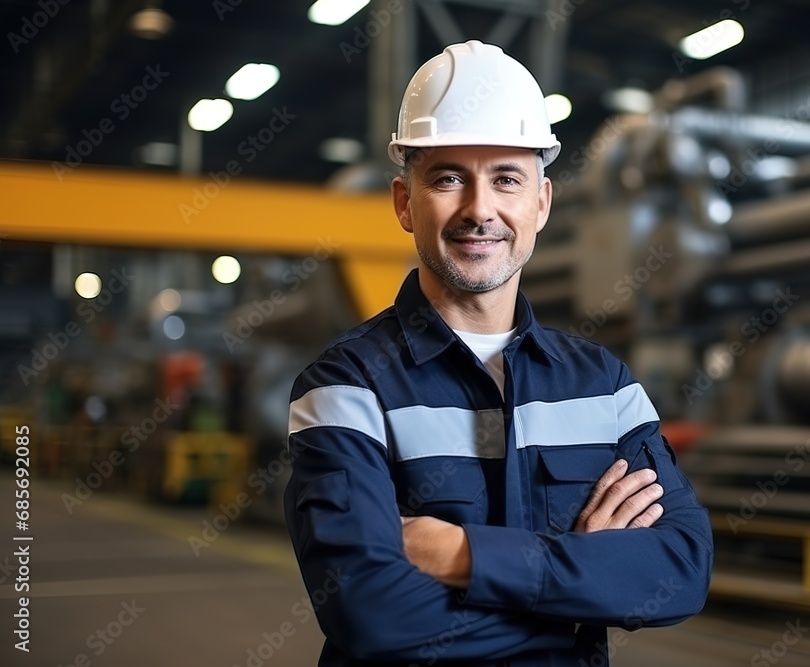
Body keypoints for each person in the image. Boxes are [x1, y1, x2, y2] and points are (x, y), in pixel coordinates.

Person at [284, 40, 713, 667]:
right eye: (448, 177)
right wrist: (575, 597)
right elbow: (370, 611)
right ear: (405, 203)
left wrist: (464, 557)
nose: (480, 209)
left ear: (540, 204)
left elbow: (681, 569)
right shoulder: (346, 387)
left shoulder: (605, 387)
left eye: (506, 179)